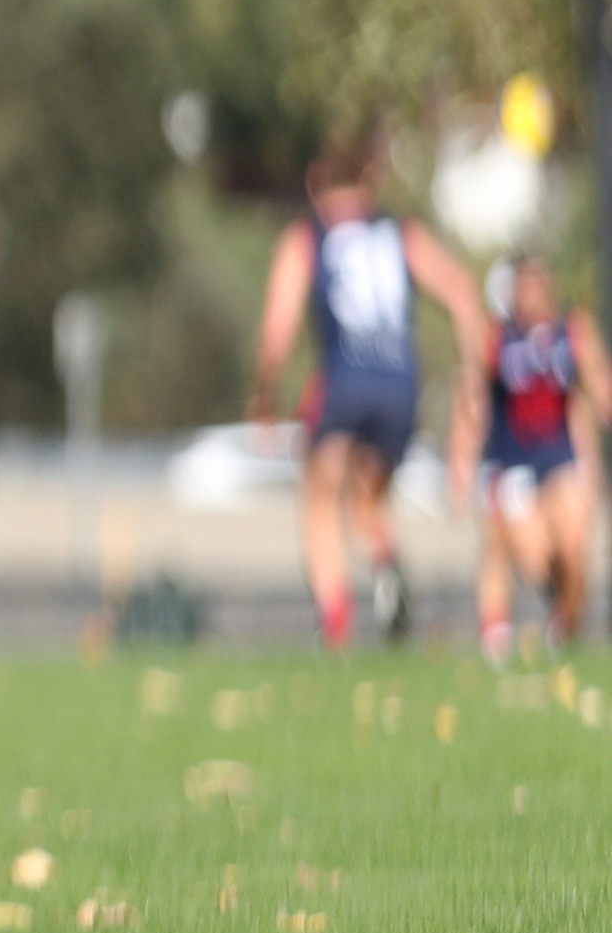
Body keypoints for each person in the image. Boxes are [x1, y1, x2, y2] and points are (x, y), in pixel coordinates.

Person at [247, 138, 490, 652]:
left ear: (316, 184)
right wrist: (473, 385)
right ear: (368, 184)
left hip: (344, 381)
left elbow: (276, 332)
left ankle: (335, 620)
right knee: (366, 502)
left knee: (319, 496)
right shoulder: (402, 234)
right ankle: (384, 562)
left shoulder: (306, 240)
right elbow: (465, 295)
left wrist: (263, 399)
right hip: (401, 386)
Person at [466, 256, 607, 666]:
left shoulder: (573, 331)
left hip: (560, 458)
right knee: (533, 560)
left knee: (574, 549)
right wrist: (463, 453)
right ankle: (542, 624)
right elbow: (473, 395)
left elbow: (597, 382)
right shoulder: (497, 337)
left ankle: (565, 632)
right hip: (516, 463)